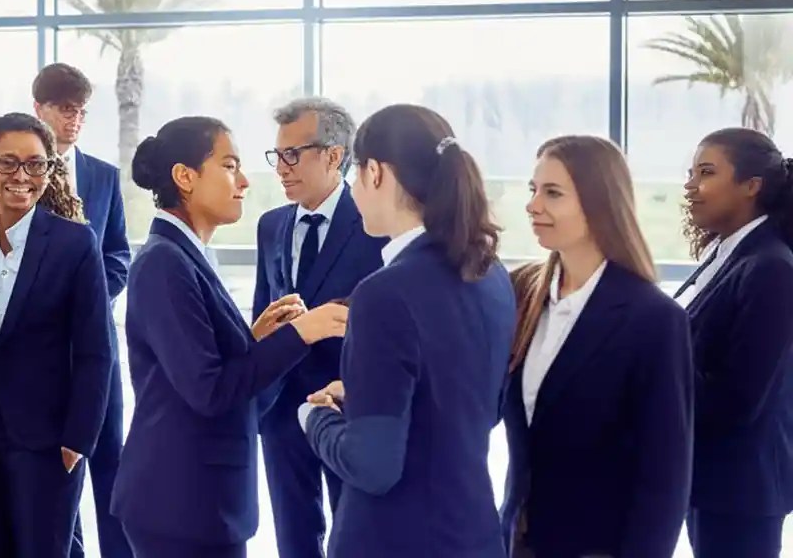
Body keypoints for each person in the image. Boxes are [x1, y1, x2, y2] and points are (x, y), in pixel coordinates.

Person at [112, 116, 348, 558]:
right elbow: (210, 390)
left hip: (203, 501)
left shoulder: (191, 255)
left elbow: (220, 377)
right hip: (180, 503)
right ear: (185, 177)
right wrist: (302, 332)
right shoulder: (164, 263)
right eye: (229, 165)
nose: (244, 181)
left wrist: (258, 342)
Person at [300, 104, 514, 558]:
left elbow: (373, 465)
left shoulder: (384, 293)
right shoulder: (492, 274)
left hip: (392, 540)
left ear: (375, 172)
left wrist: (317, 418)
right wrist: (364, 394)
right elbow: (472, 407)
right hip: (472, 534)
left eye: (355, 175)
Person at [500, 135, 692, 557]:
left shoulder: (653, 319)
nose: (533, 205)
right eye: (534, 190)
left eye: (552, 193)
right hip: (517, 541)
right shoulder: (522, 294)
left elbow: (664, 478)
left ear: (599, 202)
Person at [0, 112, 112, 558]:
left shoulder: (76, 243)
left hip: (47, 440)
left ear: (50, 170)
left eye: (36, 164)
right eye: (8, 162)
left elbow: (96, 352)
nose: (22, 176)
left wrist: (79, 439)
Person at [253, 97, 387, 558]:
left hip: (345, 404)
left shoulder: (375, 224)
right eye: (277, 155)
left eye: (293, 154)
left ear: (333, 155)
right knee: (294, 536)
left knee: (354, 537)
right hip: (280, 409)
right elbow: (262, 315)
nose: (281, 168)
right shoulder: (270, 225)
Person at [676, 127, 793, 558]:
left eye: (706, 173)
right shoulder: (729, 253)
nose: (690, 186)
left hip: (742, 489)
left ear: (751, 186)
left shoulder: (771, 268)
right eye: (690, 173)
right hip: (713, 481)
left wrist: (659, 354)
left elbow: (741, 400)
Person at [32, 63, 132, 558]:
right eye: (66, 109)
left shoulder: (104, 177)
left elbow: (119, 254)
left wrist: (91, 297)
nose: (75, 120)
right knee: (55, 467)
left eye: (82, 112)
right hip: (41, 352)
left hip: (98, 348)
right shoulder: (16, 175)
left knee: (110, 458)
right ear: (40, 109)